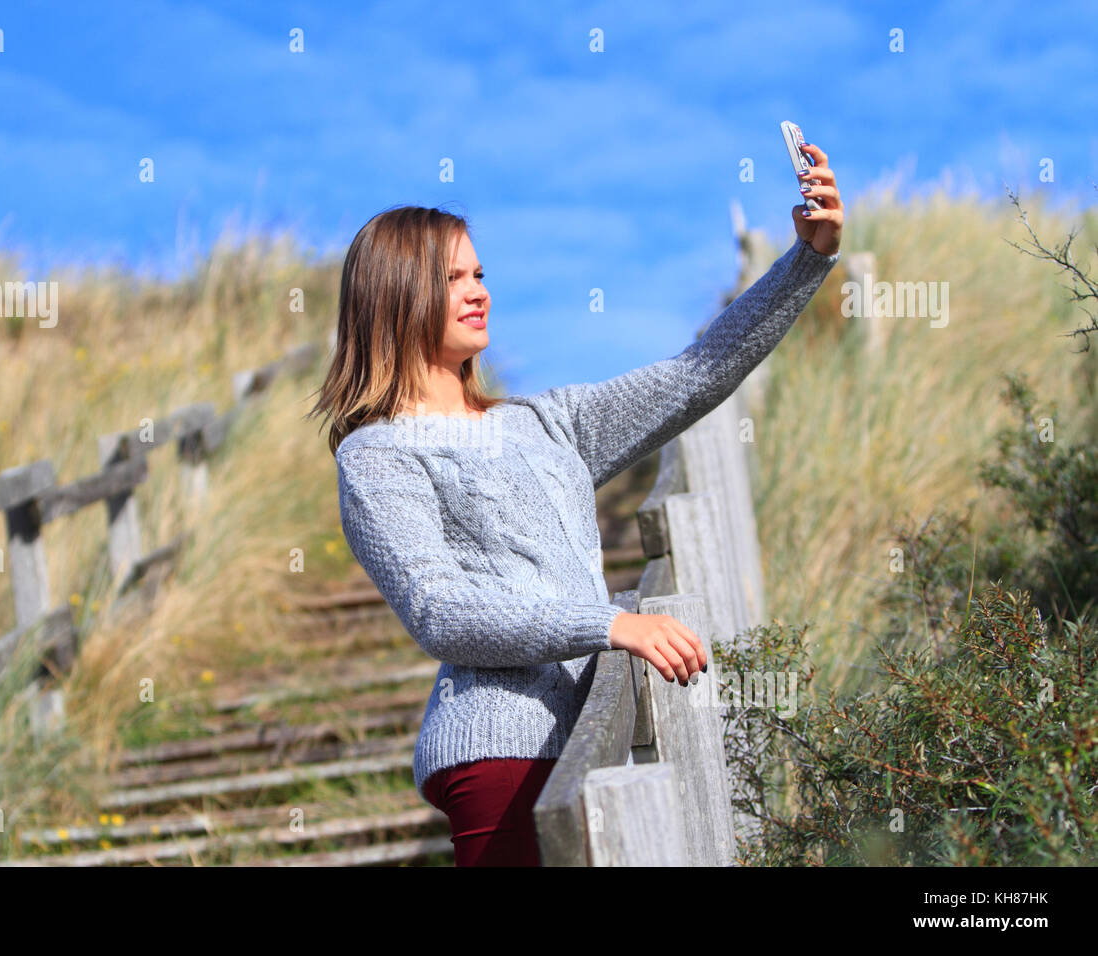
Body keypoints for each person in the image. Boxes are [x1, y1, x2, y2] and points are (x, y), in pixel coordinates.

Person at [307, 144, 844, 866]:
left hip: (594, 734)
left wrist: (806, 261)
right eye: (452, 278)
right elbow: (441, 612)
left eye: (480, 274)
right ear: (395, 296)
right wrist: (609, 622)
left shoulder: (544, 423)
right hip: (503, 760)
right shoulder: (378, 456)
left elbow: (692, 377)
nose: (479, 291)